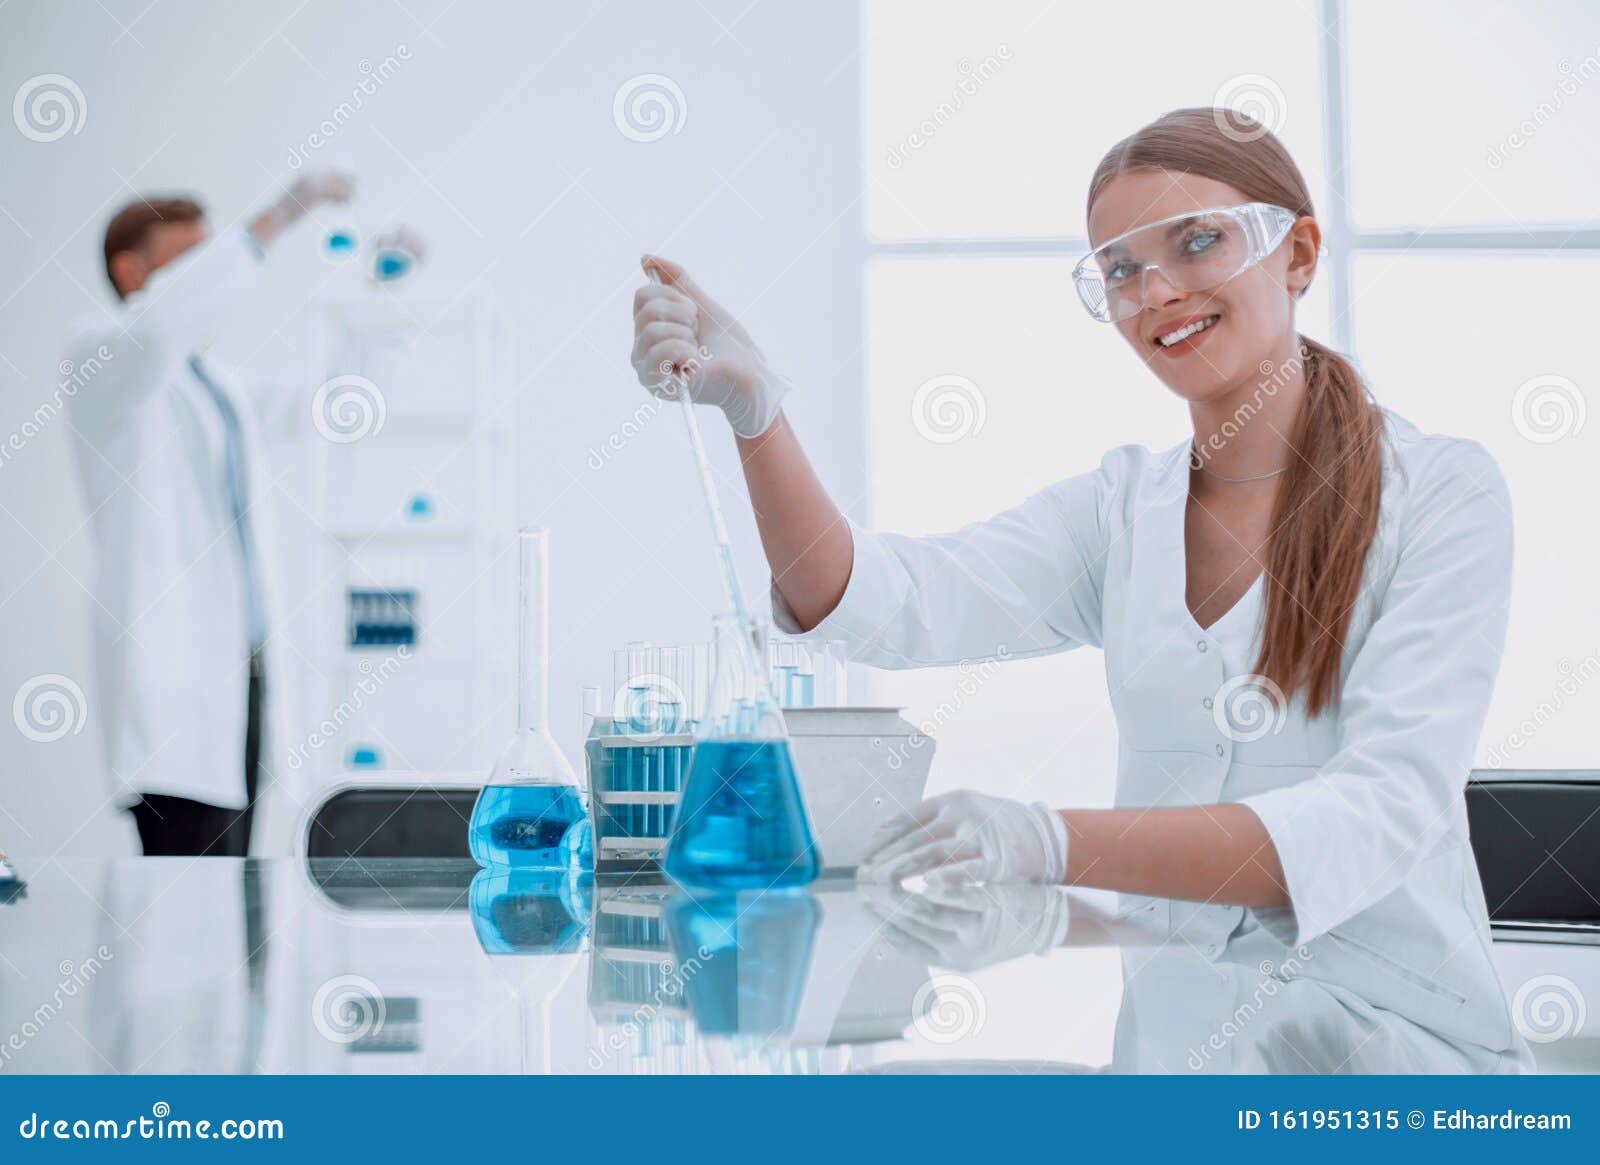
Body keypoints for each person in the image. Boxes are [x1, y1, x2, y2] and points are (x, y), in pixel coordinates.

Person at [630, 109, 1528, 1065]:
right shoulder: (1122, 510)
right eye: (1120, 269)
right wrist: (758, 413)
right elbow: (878, 600)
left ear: (1296, 252)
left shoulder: (1440, 494)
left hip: (1402, 1065)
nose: (1158, 291)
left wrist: (1048, 842)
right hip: (1184, 1053)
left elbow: (1374, 814)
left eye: (1196, 243)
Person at [67, 172, 352, 856]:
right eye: (189, 261)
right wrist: (274, 220)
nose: (211, 277)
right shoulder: (100, 354)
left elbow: (321, 405)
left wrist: (380, 302)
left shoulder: (216, 382)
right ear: (129, 270)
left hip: (243, 671)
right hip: (173, 670)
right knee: (181, 894)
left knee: (230, 895)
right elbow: (161, 325)